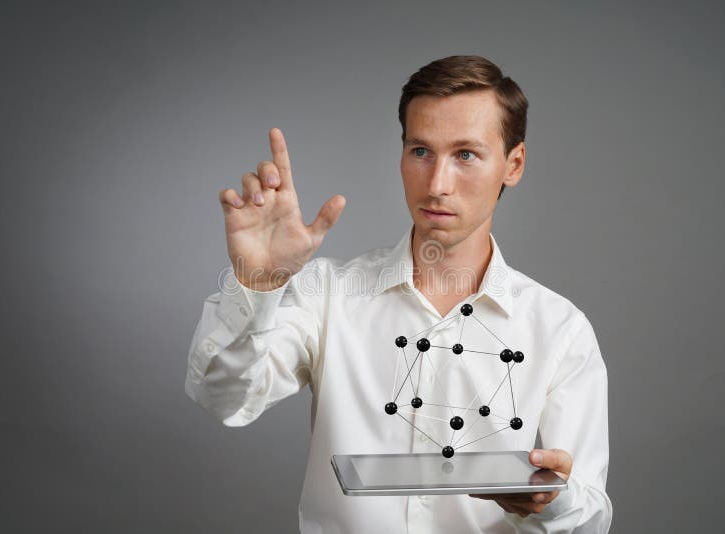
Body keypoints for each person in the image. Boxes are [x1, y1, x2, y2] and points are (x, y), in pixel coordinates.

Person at [185, 55, 612, 533]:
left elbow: (589, 516)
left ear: (513, 164)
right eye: (421, 151)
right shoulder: (328, 295)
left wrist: (549, 499)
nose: (437, 185)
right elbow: (223, 397)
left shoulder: (560, 330)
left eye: (466, 155)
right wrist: (258, 285)